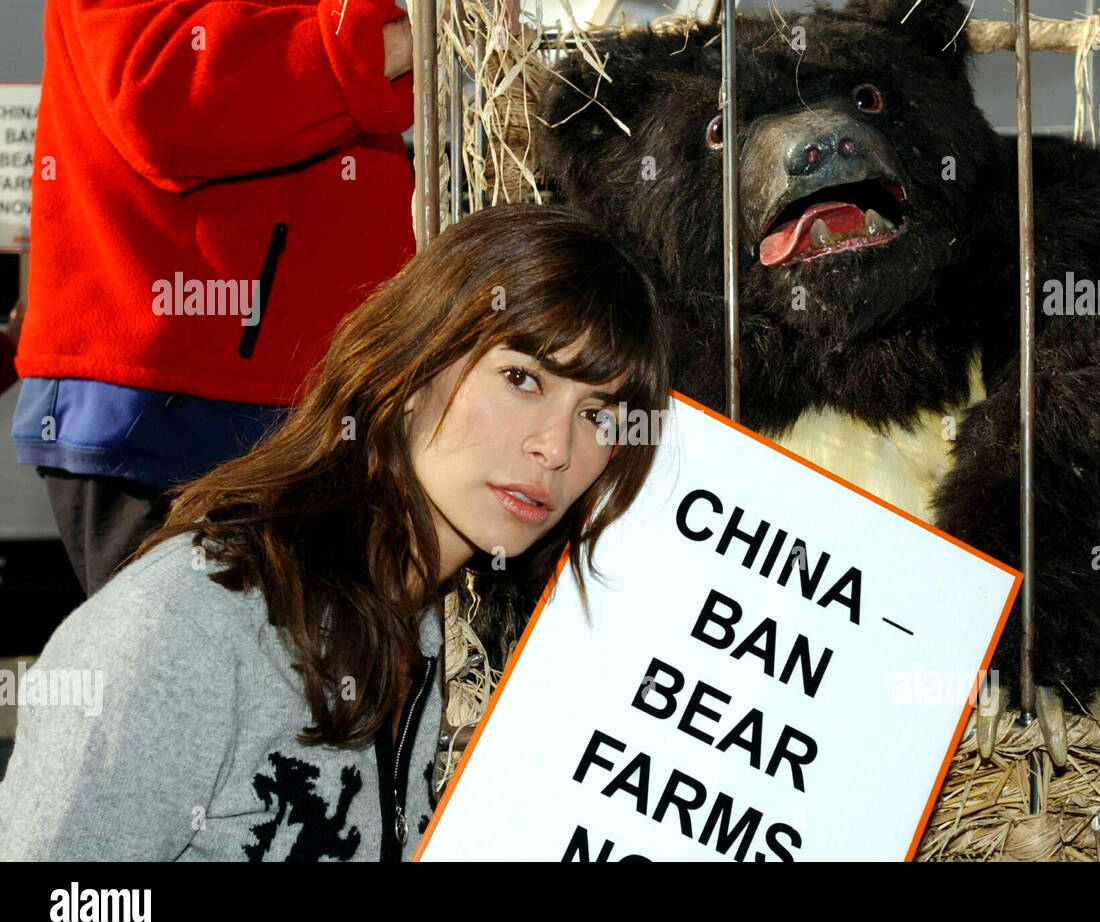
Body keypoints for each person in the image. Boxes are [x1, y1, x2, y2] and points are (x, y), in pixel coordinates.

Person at [0, 202, 671, 862]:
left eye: (599, 416)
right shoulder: (197, 620)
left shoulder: (423, 639)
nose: (556, 447)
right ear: (413, 369)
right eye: (521, 378)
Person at [10, 0, 419, 596]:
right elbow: (160, 91)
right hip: (173, 408)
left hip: (308, 400)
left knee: (317, 679)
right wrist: (388, 44)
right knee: (197, 676)